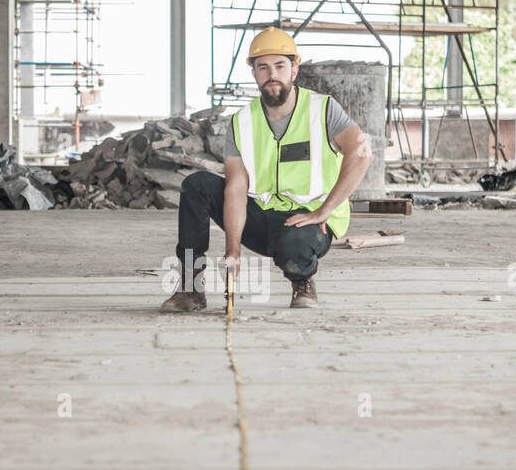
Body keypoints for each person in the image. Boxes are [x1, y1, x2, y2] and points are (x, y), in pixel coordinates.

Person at [160, 28, 374, 311]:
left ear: (294, 70)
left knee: (293, 245)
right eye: (263, 67)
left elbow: (361, 153)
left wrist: (325, 209)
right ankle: (191, 288)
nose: (271, 74)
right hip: (260, 216)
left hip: (309, 221)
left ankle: (303, 280)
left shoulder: (322, 110)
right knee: (197, 184)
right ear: (254, 73)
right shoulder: (242, 121)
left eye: (280, 66)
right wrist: (233, 251)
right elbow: (235, 187)